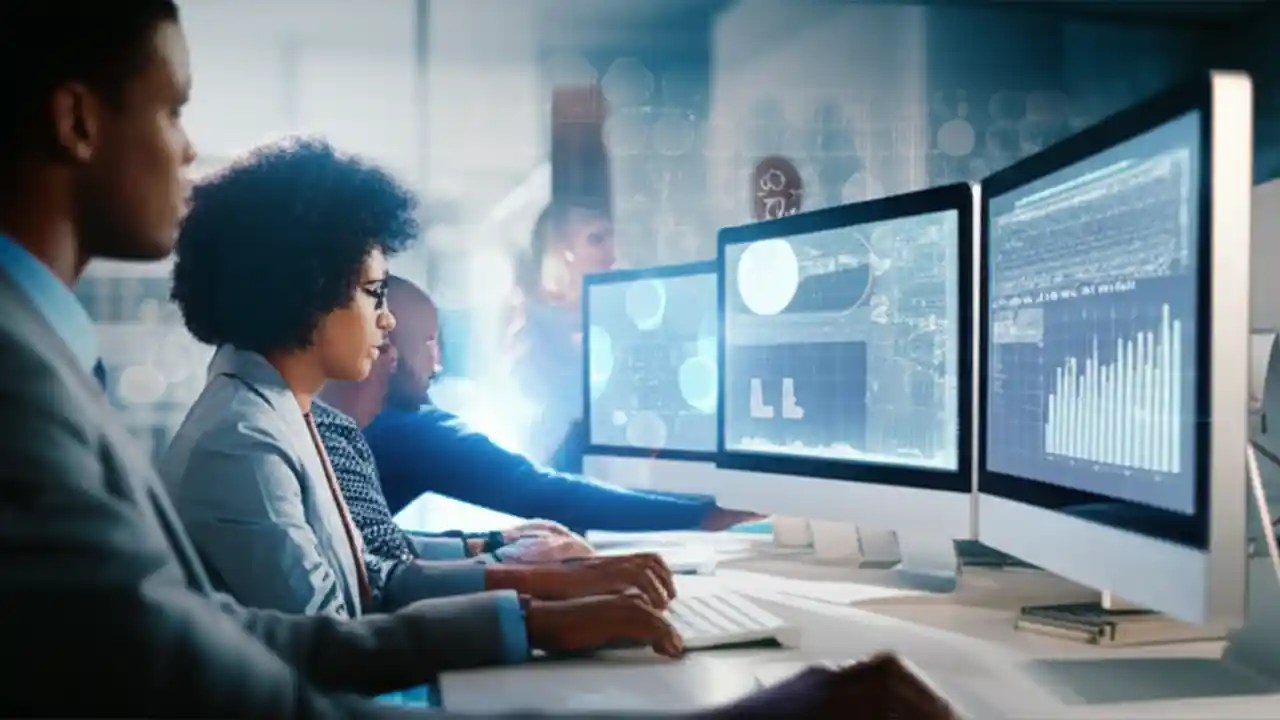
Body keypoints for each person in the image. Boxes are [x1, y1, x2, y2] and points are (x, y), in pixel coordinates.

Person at [0, 2, 952, 716]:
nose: (189, 145)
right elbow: (272, 672)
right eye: (171, 109)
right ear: (79, 121)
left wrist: (526, 599)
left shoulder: (97, 379)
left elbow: (277, 625)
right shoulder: (54, 396)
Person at [160, 137, 681, 660]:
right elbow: (328, 642)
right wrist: (538, 622)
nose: (386, 321)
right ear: (308, 290)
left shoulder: (284, 413)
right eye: (373, 293)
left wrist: (553, 588)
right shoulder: (243, 442)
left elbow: (373, 579)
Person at [359, 276, 763, 533]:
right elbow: (537, 490)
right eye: (429, 341)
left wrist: (491, 545)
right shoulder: (405, 429)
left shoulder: (357, 423)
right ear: (387, 345)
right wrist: (701, 514)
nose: (439, 363)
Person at [508, 200, 616, 468]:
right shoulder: (531, 330)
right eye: (595, 239)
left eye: (611, 238)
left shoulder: (614, 323)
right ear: (559, 252)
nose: (610, 253)